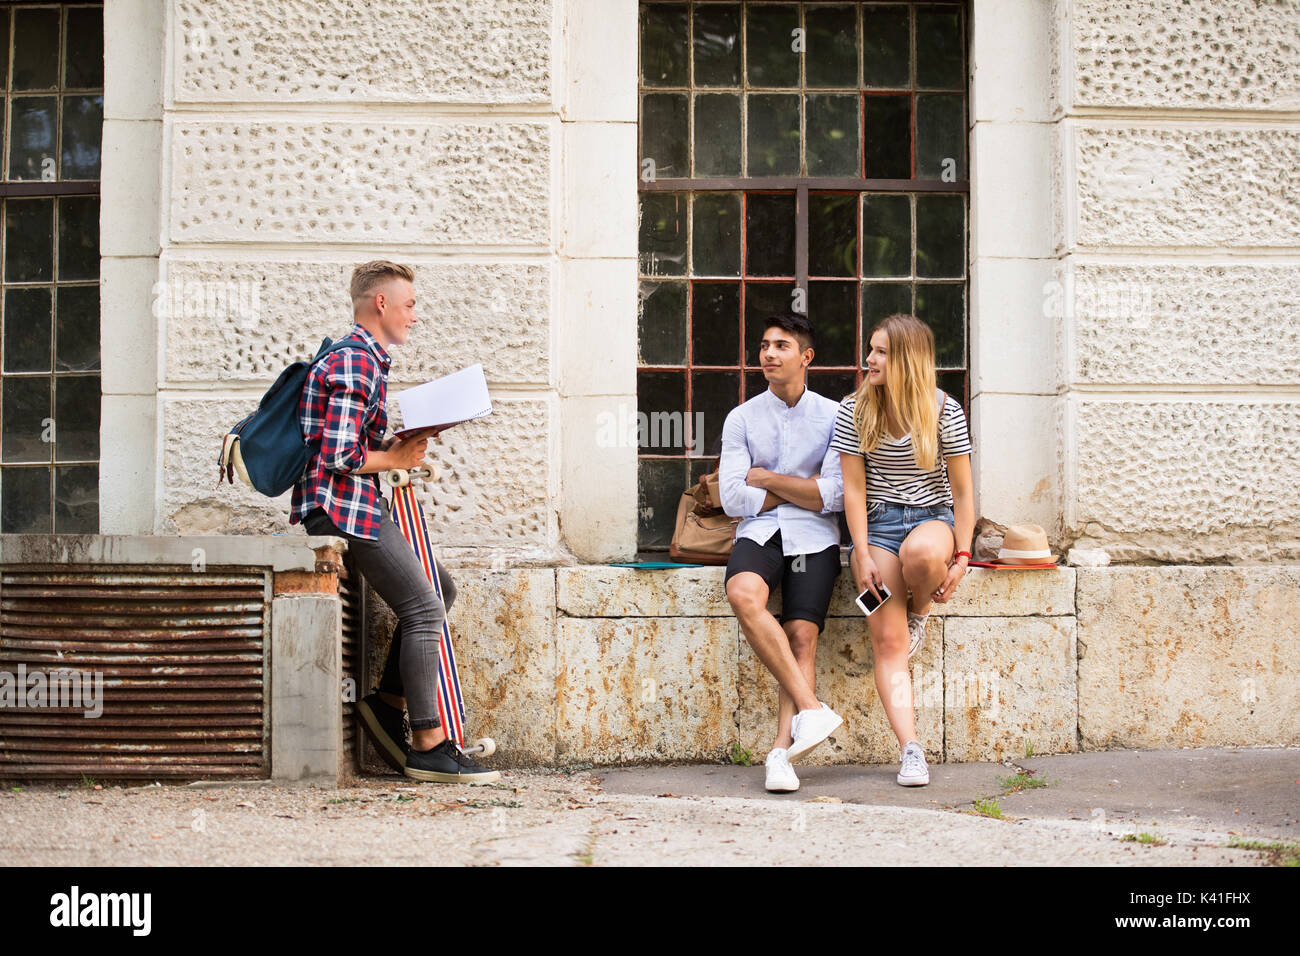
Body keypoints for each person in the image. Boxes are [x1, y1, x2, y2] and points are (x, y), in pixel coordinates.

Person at [291, 260, 498, 784]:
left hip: (354, 501)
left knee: (439, 590)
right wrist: (397, 460)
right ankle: (429, 742)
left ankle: (386, 704)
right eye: (410, 304)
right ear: (380, 303)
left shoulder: (363, 359)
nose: (415, 316)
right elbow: (338, 456)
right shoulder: (356, 360)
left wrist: (392, 447)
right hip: (342, 506)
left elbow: (348, 445)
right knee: (425, 607)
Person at [830, 313, 974, 787]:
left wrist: (963, 556)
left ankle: (921, 612)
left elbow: (964, 492)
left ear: (908, 359)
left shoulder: (943, 411)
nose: (869, 359)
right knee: (887, 642)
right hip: (877, 529)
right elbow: (853, 490)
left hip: (933, 519)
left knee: (922, 557)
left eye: (881, 352)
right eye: (870, 349)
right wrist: (861, 551)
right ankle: (911, 749)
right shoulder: (854, 409)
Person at [719, 313, 845, 793]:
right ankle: (813, 711)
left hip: (815, 537)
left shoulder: (836, 416)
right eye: (765, 345)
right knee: (743, 594)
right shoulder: (743, 417)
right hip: (759, 532)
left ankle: (780, 755)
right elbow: (733, 498)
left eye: (782, 346)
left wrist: (768, 479)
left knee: (800, 636)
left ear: (806, 357)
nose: (769, 354)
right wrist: (802, 489)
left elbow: (832, 496)